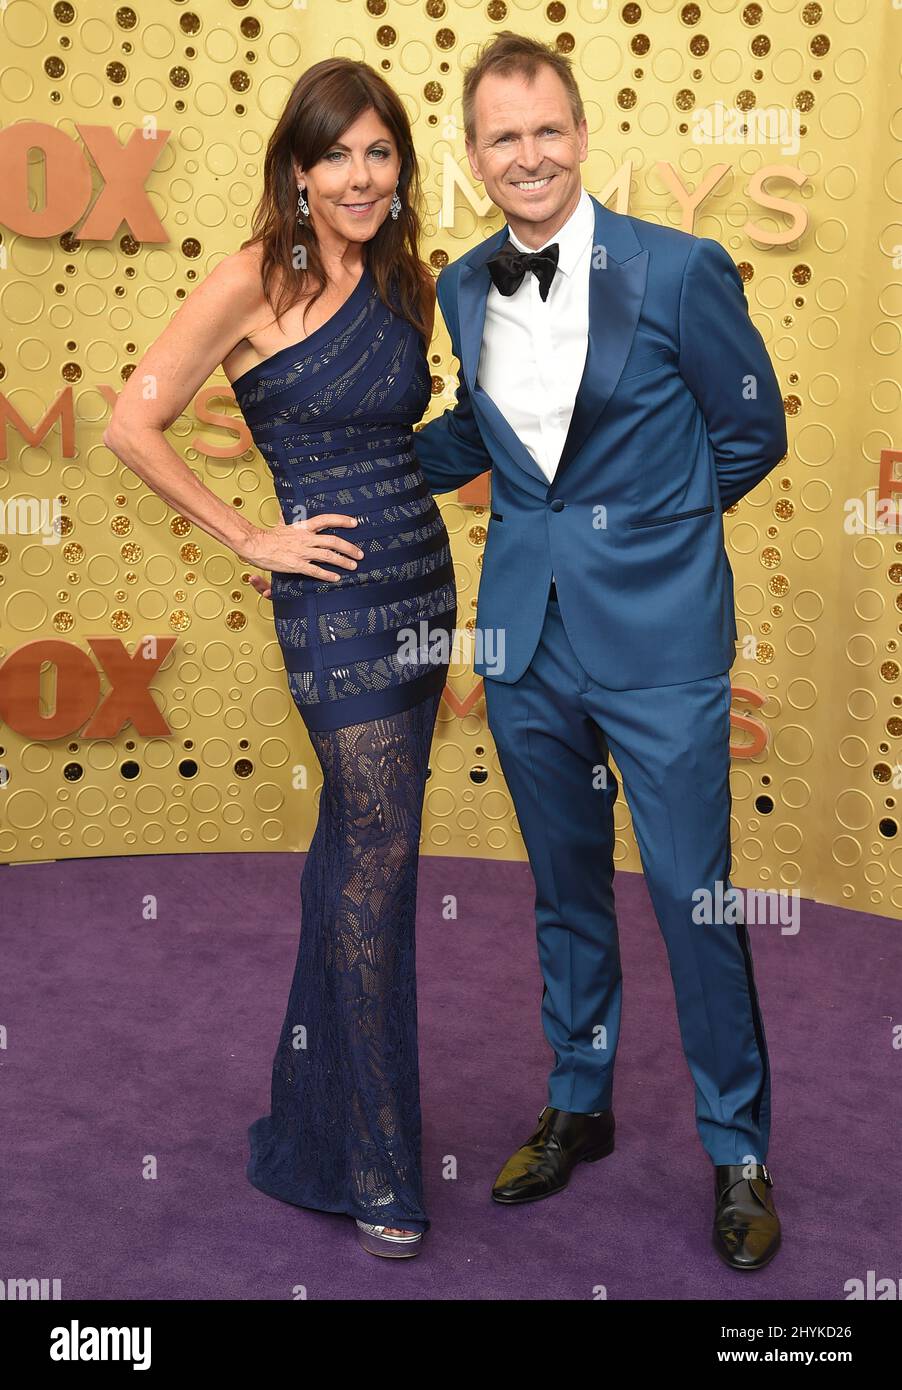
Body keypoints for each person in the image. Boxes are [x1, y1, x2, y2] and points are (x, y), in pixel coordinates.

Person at [411, 31, 787, 1271]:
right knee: (565, 893)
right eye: (500, 138)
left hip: (661, 644)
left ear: (583, 136)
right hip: (526, 641)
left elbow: (749, 435)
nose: (526, 155)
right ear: (473, 161)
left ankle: (735, 1147)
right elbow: (481, 431)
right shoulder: (462, 285)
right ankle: (579, 1102)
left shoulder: (679, 269)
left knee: (693, 898)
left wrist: (660, 540)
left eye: (545, 130)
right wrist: (353, 465)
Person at [103, 57, 456, 1259]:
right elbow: (129, 418)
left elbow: (414, 439)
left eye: (379, 152)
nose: (360, 176)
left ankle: (323, 1123)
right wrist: (251, 534)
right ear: (296, 172)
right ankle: (375, 1162)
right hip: (335, 603)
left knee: (361, 851)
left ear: (398, 166)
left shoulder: (410, 279)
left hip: (421, 585)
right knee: (380, 860)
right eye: (336, 156)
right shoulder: (252, 277)